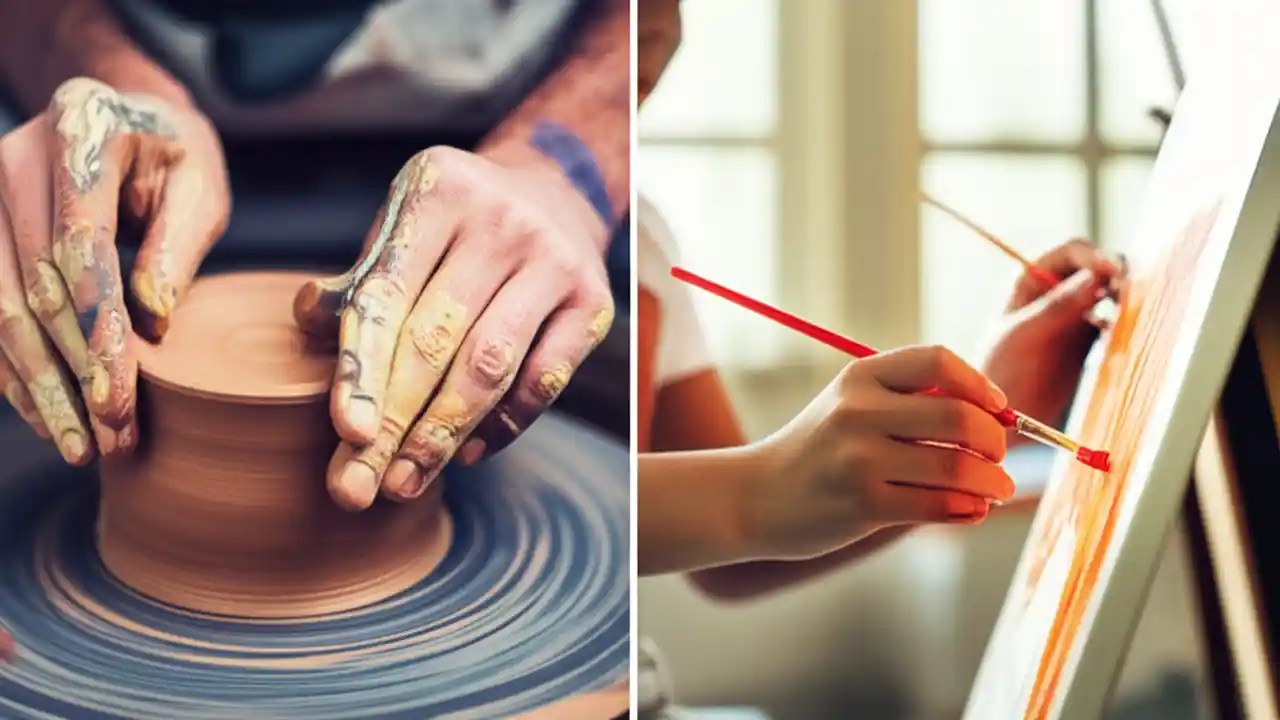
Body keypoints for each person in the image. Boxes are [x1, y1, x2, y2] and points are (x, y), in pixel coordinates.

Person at [634, 0, 1125, 715]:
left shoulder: (638, 235)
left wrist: (982, 409)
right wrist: (764, 484)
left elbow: (734, 559)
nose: (663, 25)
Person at [0, 0, 630, 511]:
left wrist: (565, 165)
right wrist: (102, 71)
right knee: (41, 304)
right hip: (121, 107)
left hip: (513, 134)